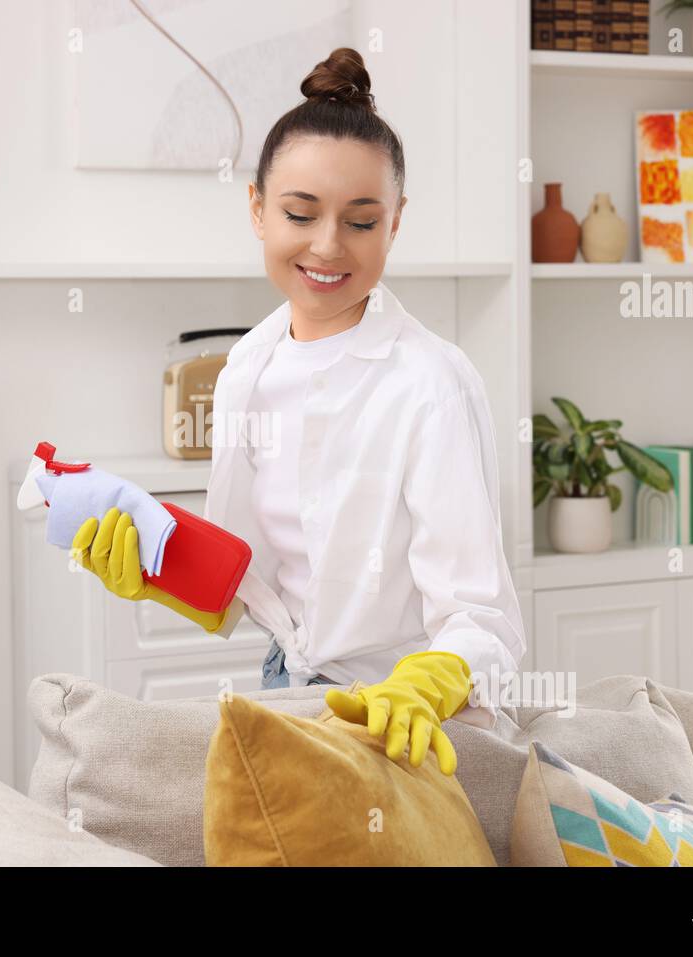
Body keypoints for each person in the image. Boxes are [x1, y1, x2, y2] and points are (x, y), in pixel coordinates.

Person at [72, 47, 525, 777]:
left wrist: (424, 682)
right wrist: (155, 569)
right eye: (300, 213)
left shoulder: (432, 382)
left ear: (396, 223)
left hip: (407, 723)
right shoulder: (246, 369)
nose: (327, 245)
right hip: (287, 692)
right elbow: (244, 577)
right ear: (257, 209)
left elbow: (486, 620)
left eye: (361, 221)